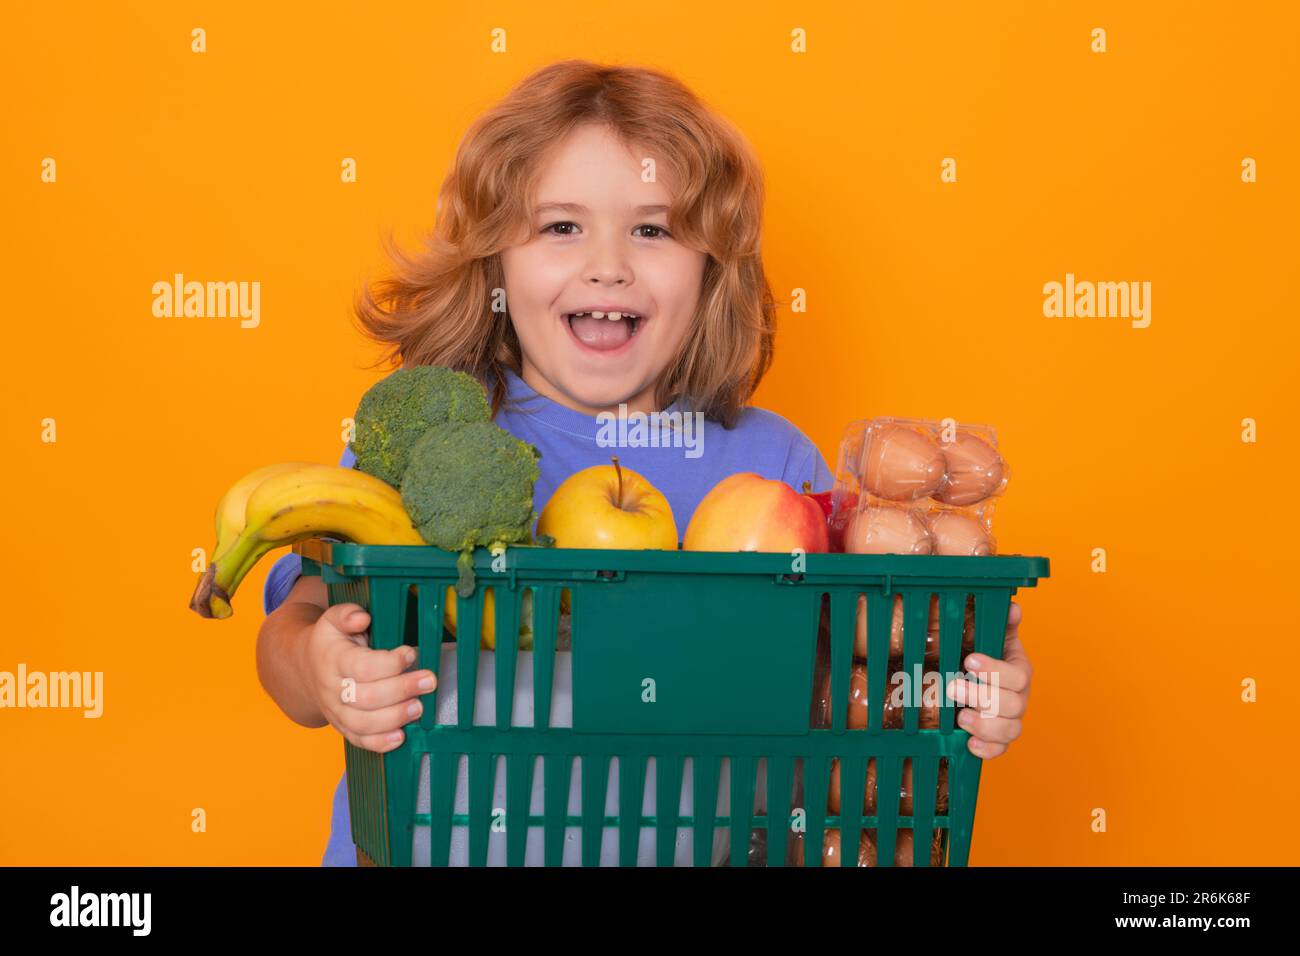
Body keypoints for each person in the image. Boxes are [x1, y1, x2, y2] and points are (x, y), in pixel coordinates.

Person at [255, 59, 1032, 867]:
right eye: (561, 226)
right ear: (495, 261)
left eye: (652, 230)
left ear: (711, 270)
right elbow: (293, 631)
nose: (608, 264)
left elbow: (852, 690)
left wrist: (959, 685)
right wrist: (323, 669)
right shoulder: (430, 446)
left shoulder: (774, 464)